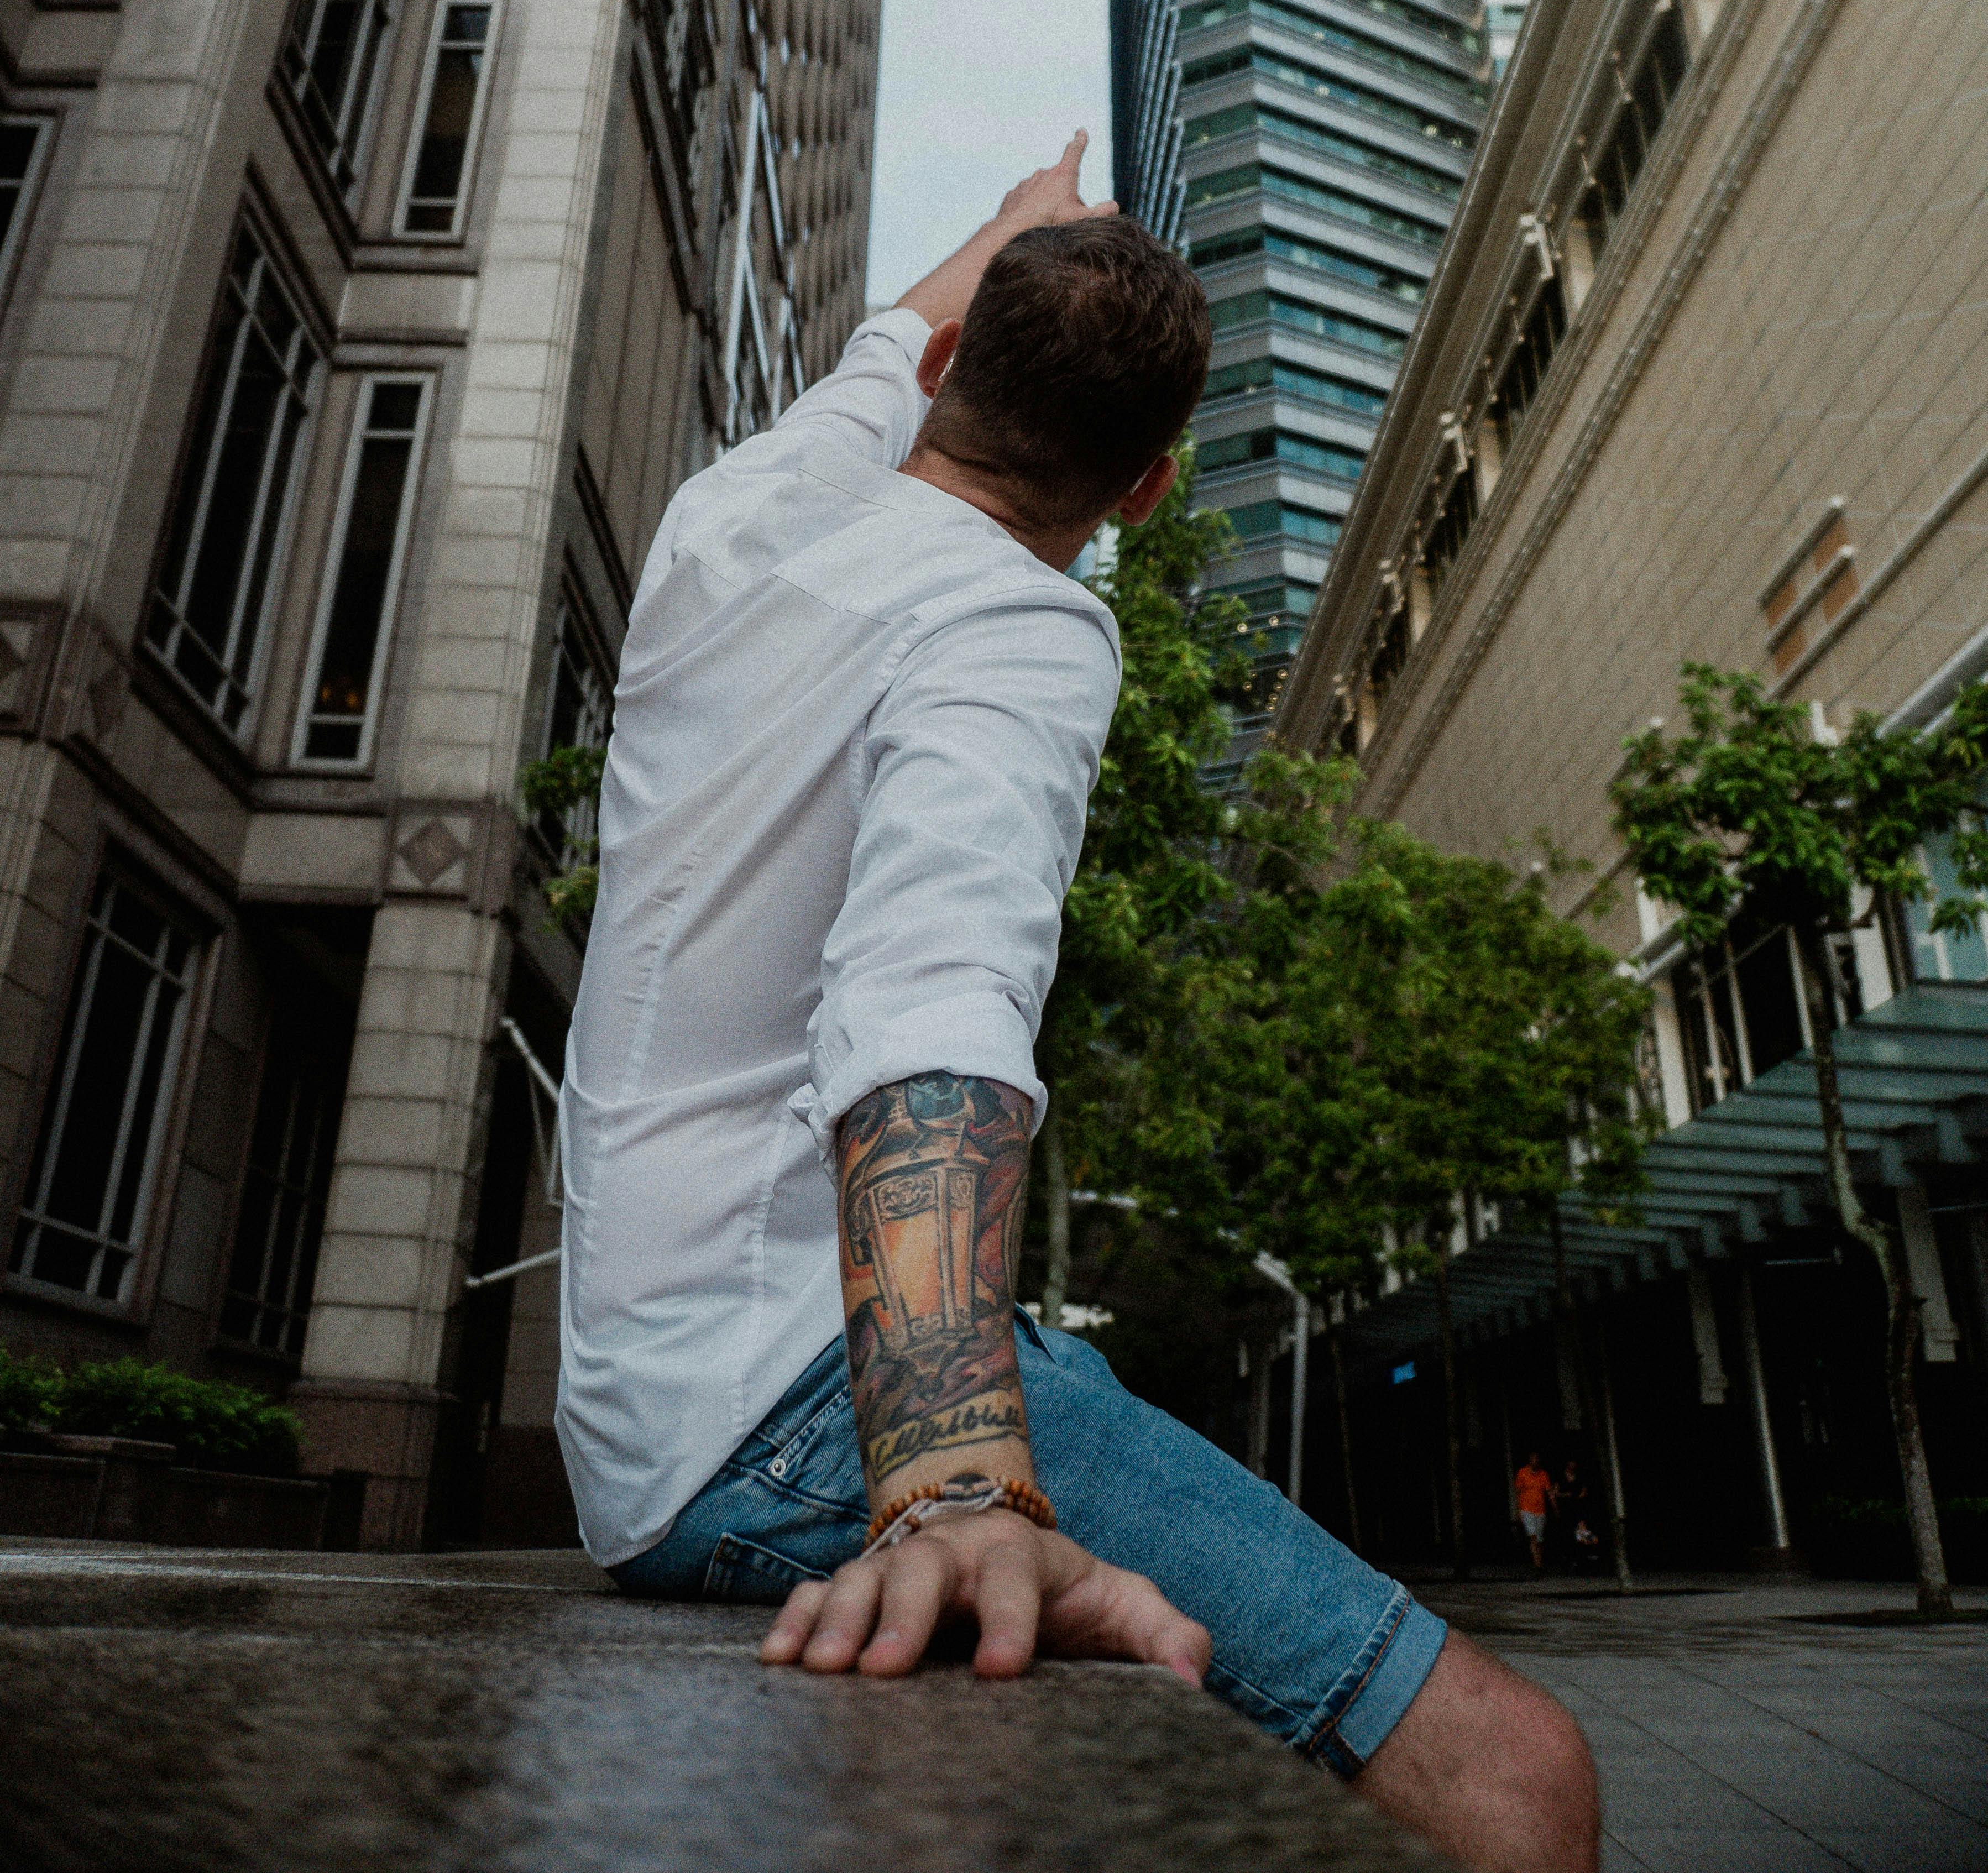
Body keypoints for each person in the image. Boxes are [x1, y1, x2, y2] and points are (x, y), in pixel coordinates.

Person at [557, 137, 1599, 1873]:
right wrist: (956, 1478)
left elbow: (886, 341)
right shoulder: (1018, 624)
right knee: (1517, 1778)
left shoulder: (733, 517)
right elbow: (928, 1000)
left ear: (954, 370)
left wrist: (1018, 223)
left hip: (634, 1414)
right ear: (1148, 494)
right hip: (802, 1408)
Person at [1515, 1451, 1557, 1571]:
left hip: (1540, 1510)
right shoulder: (1523, 1473)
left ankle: (1539, 1559)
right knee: (1533, 1536)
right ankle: (1537, 1564)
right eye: (1533, 1459)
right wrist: (1518, 1510)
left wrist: (1555, 1507)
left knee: (1539, 1539)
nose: (1535, 1462)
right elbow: (1518, 1492)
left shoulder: (1544, 1475)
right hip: (1527, 1509)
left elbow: (1549, 1492)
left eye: (1537, 1459)